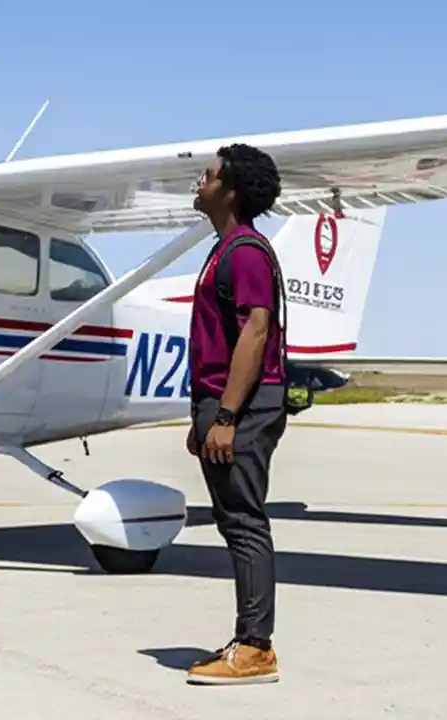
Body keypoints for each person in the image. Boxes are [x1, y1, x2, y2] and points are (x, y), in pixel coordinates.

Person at [184, 143, 288, 686]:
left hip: (242, 406)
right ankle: (249, 640)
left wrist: (225, 417)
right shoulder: (223, 248)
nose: (199, 181)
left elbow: (255, 330)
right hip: (221, 404)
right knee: (235, 523)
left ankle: (255, 648)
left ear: (231, 190)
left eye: (208, 175)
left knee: (245, 523)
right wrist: (200, 417)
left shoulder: (244, 251)